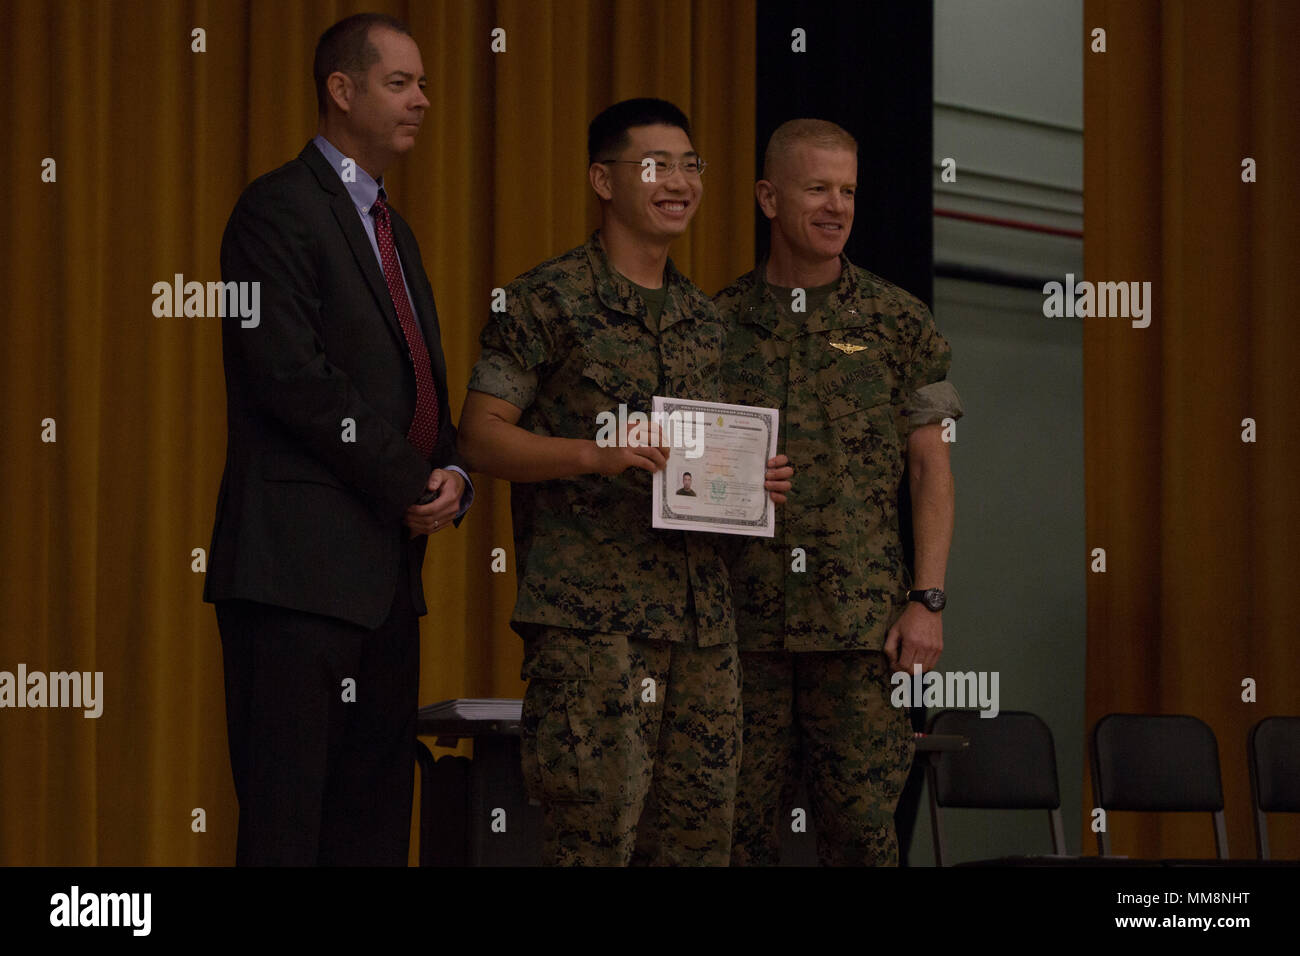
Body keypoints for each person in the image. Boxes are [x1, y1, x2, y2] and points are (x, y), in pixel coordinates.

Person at [458, 98, 790, 866]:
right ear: (603, 181)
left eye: (690, 165)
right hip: (592, 630)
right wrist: (594, 455)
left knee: (698, 850)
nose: (679, 182)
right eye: (656, 165)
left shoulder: (709, 322)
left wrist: (752, 484)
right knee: (594, 843)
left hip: (704, 629)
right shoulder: (547, 299)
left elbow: (709, 462)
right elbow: (479, 434)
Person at [203, 13, 471, 866]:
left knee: (374, 829)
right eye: (402, 83)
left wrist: (454, 468)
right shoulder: (275, 210)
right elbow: (292, 378)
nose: (423, 101)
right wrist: (411, 480)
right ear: (341, 90)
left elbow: (417, 379)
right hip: (295, 578)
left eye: (425, 84)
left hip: (386, 583)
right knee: (289, 831)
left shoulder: (396, 228)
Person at [715, 118, 962, 866]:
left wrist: (927, 599)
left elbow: (932, 467)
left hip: (862, 634)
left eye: (848, 190)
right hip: (738, 631)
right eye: (816, 187)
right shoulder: (711, 324)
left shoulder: (899, 323)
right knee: (731, 839)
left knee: (860, 839)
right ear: (768, 196)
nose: (836, 206)